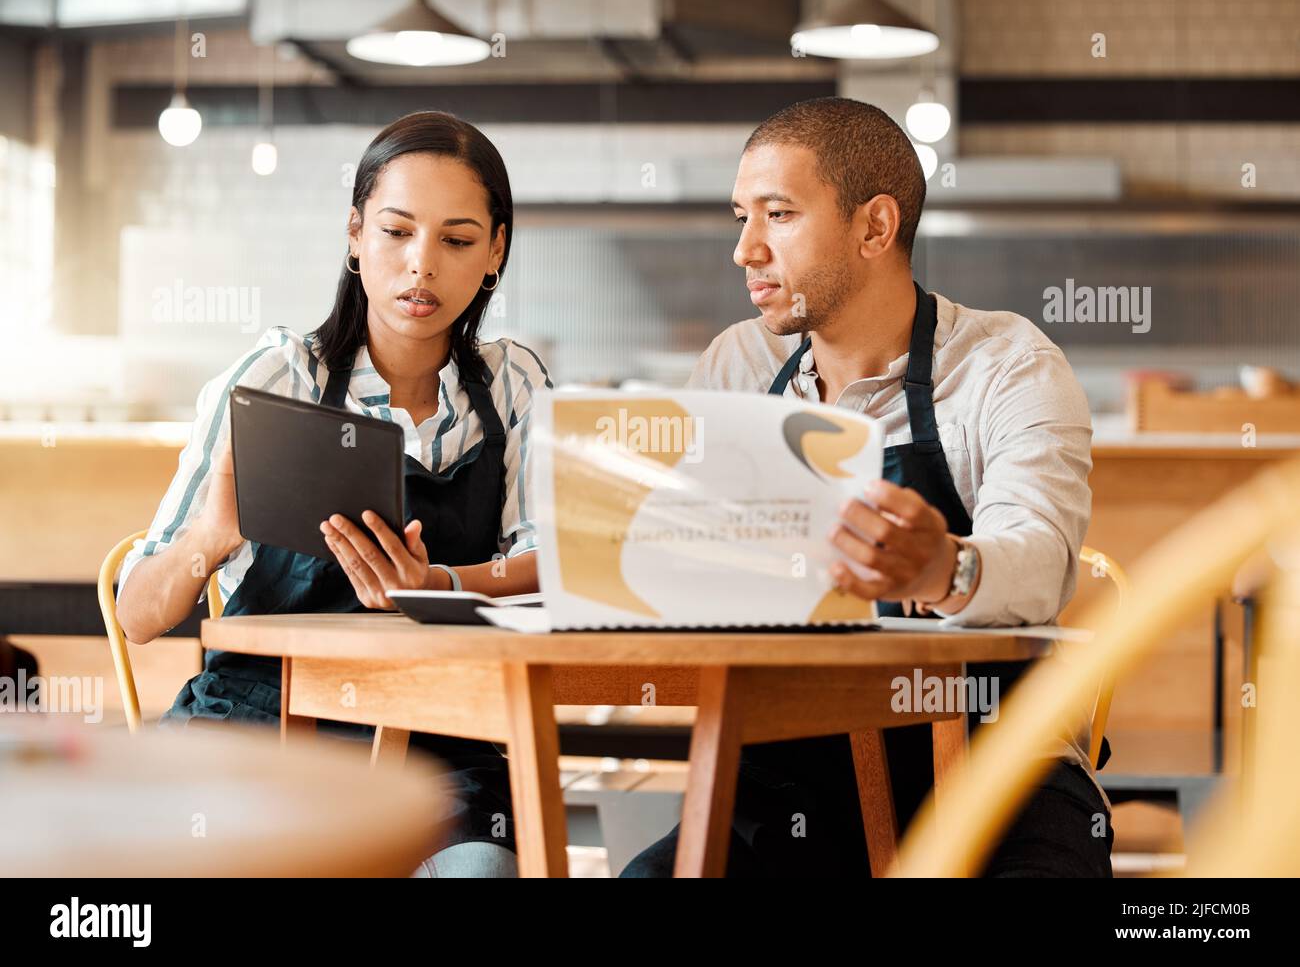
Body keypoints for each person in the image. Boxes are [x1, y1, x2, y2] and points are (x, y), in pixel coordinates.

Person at [622, 97, 1111, 878]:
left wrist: (941, 567)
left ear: (875, 228)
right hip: (790, 767)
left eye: (777, 214)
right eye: (741, 216)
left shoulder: (1007, 364)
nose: (745, 249)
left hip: (993, 765)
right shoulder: (735, 368)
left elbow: (1042, 557)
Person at [115, 111, 550, 878]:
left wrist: (438, 586)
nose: (422, 266)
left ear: (496, 251)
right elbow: (139, 614)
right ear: (355, 235)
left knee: (483, 871)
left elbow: (552, 563)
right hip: (256, 724)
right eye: (395, 232)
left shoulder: (515, 384)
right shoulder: (278, 376)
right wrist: (209, 539)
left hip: (439, 739)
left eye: (455, 240)